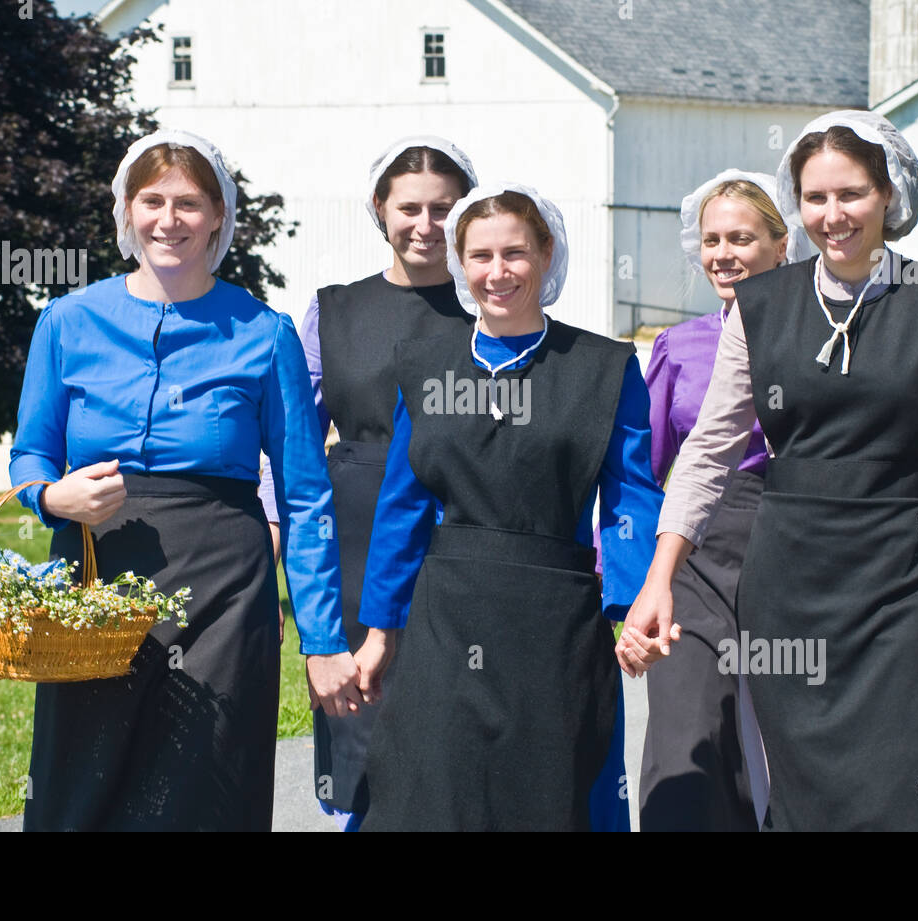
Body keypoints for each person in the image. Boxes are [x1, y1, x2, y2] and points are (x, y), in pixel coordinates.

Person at [620, 111, 918, 832]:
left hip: (906, 586)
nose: (833, 215)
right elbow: (708, 450)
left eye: (852, 195)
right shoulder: (763, 306)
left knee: (907, 791)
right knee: (803, 797)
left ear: (889, 196)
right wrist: (659, 578)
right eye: (816, 198)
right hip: (791, 581)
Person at [9, 129, 360, 831]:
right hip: (93, 582)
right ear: (126, 211)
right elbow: (30, 456)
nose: (169, 219)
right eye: (153, 200)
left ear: (219, 218)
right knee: (82, 781)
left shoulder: (265, 333)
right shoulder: (67, 322)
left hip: (225, 592)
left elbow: (305, 493)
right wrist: (51, 498)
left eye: (190, 203)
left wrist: (322, 640)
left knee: (206, 785)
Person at [352, 183, 666, 831]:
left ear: (547, 255)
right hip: (447, 614)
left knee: (548, 795)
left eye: (516, 253)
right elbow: (402, 504)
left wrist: (634, 605)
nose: (498, 273)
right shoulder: (424, 364)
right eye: (481, 255)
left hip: (555, 622)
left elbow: (631, 494)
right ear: (460, 262)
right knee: (435, 791)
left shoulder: (604, 368)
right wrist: (381, 629)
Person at [259, 136, 478, 831]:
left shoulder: (494, 304)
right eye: (408, 206)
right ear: (380, 209)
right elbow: (292, 443)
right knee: (366, 724)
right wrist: (267, 528)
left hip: (464, 525)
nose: (425, 224)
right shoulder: (334, 310)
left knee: (461, 719)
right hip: (354, 529)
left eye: (443, 208)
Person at [634, 170, 809, 832]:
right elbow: (644, 470)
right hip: (698, 560)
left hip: (795, 550)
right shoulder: (679, 346)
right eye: (711, 240)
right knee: (689, 737)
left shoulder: (819, 336)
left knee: (786, 745)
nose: (722, 253)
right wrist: (626, 579)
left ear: (780, 242)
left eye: (741, 237)